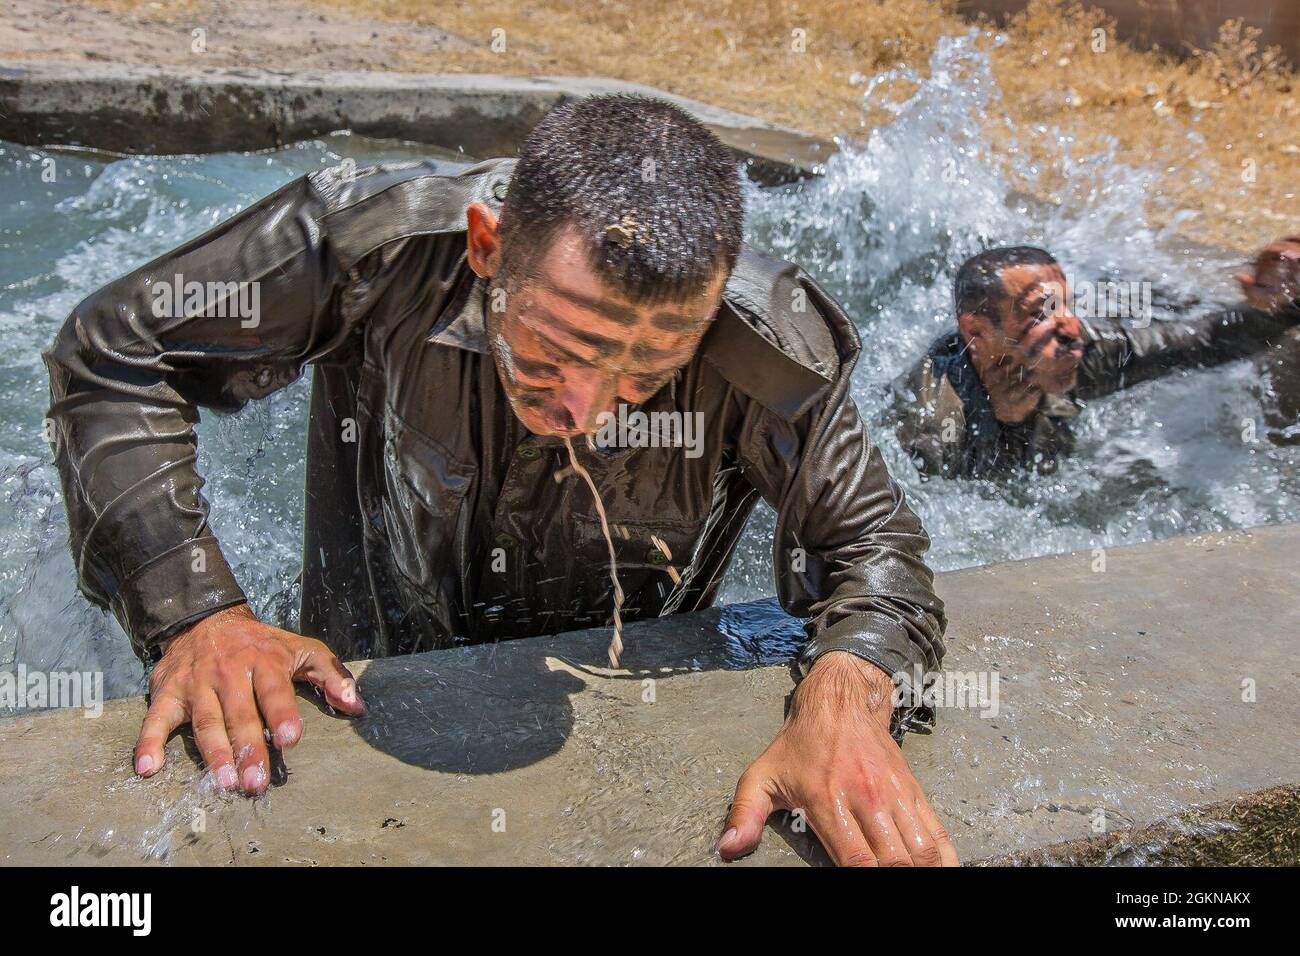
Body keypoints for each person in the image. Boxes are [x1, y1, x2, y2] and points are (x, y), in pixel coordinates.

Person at [44, 96, 955, 866]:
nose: (588, 410)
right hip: (361, 665)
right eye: (559, 351)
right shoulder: (377, 244)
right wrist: (201, 616)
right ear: (488, 249)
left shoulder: (765, 351)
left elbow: (875, 547)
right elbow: (117, 347)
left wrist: (847, 694)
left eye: (648, 374)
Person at [892, 241, 1300, 479]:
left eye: (1066, 305)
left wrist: (1287, 303)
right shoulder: (930, 423)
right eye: (1040, 313)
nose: (1069, 327)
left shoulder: (1079, 353)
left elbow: (1202, 342)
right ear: (977, 333)